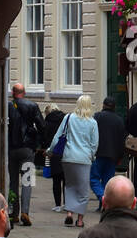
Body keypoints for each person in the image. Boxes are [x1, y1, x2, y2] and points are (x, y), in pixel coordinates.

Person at [48, 94, 98, 227]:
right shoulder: (92, 122)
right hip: (84, 159)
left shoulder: (68, 118)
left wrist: (50, 150)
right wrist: (91, 156)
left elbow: (57, 136)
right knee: (83, 190)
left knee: (69, 186)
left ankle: (69, 213)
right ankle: (80, 220)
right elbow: (94, 144)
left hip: (68, 158)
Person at [8, 82, 45, 227]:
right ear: (24, 92)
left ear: (13, 93)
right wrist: (40, 144)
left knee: (13, 182)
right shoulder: (32, 106)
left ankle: (13, 213)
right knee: (27, 180)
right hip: (28, 149)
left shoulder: (8, 106)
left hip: (11, 148)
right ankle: (25, 211)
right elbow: (42, 126)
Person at [91, 96, 126, 208]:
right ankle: (104, 203)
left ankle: (102, 198)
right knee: (107, 182)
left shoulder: (97, 117)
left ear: (103, 105)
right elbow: (122, 140)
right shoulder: (119, 120)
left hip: (98, 154)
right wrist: (120, 156)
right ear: (114, 107)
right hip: (112, 156)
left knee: (93, 179)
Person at [43, 103, 66, 212]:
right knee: (66, 180)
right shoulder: (66, 119)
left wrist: (48, 150)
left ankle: (58, 204)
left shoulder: (47, 122)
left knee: (56, 180)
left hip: (54, 153)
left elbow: (47, 139)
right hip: (66, 151)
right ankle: (67, 203)